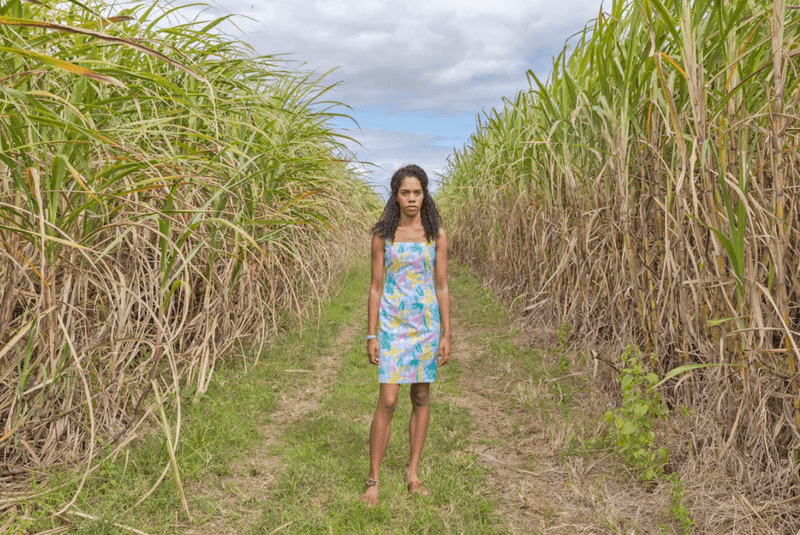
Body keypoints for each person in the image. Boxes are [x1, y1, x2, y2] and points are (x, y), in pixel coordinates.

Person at [360, 164, 452, 507]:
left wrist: (446, 332)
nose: (411, 199)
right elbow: (375, 287)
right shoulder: (384, 235)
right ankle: (373, 479)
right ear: (395, 195)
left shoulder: (435, 235)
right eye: (405, 192)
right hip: (392, 325)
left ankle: (413, 474)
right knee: (388, 401)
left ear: (424, 194)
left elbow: (442, 285)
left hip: (425, 324)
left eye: (417, 192)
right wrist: (371, 335)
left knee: (421, 397)